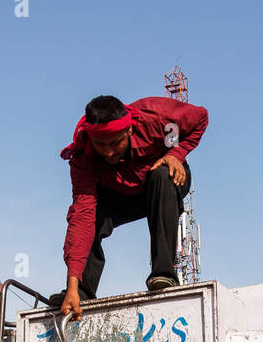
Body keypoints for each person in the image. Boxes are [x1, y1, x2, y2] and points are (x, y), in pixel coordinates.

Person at [49, 93, 209, 317]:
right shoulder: (83, 157)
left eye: (116, 143)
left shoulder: (158, 120)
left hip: (162, 183)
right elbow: (82, 217)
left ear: (130, 130)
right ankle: (81, 292)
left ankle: (163, 274)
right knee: (90, 211)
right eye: (100, 145)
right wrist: (72, 283)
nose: (109, 152)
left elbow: (200, 117)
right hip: (121, 192)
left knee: (163, 175)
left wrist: (176, 153)